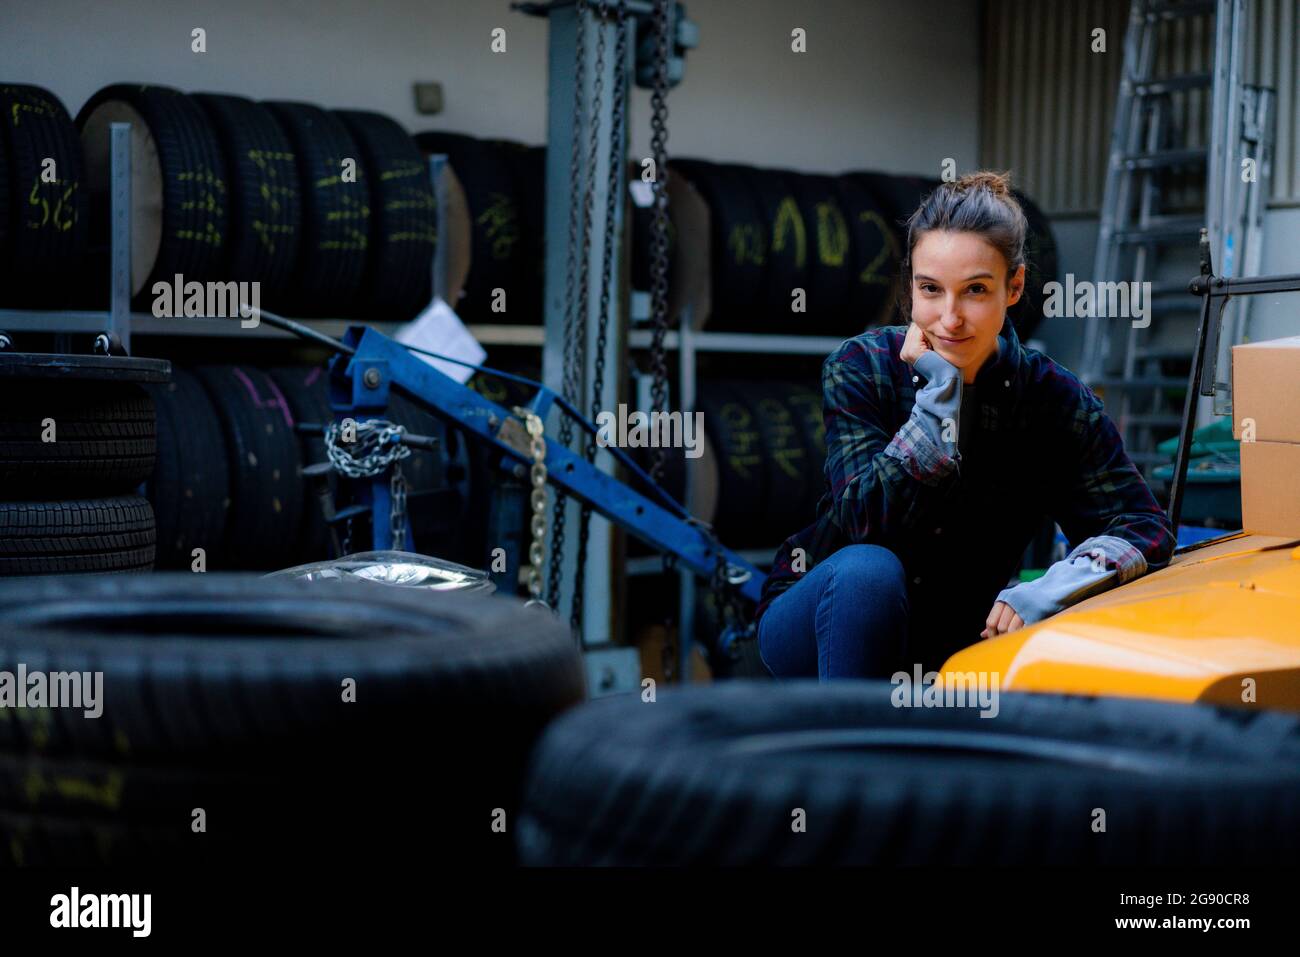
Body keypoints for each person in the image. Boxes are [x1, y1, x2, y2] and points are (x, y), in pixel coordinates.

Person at [755, 170, 1176, 680]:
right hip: (821, 616)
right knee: (869, 571)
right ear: (911, 283)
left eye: (975, 290)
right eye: (930, 289)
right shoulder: (862, 366)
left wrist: (1049, 589)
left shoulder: (1055, 401)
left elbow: (1144, 526)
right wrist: (937, 400)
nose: (949, 318)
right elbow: (861, 520)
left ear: (1014, 286)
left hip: (961, 638)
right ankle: (858, 754)